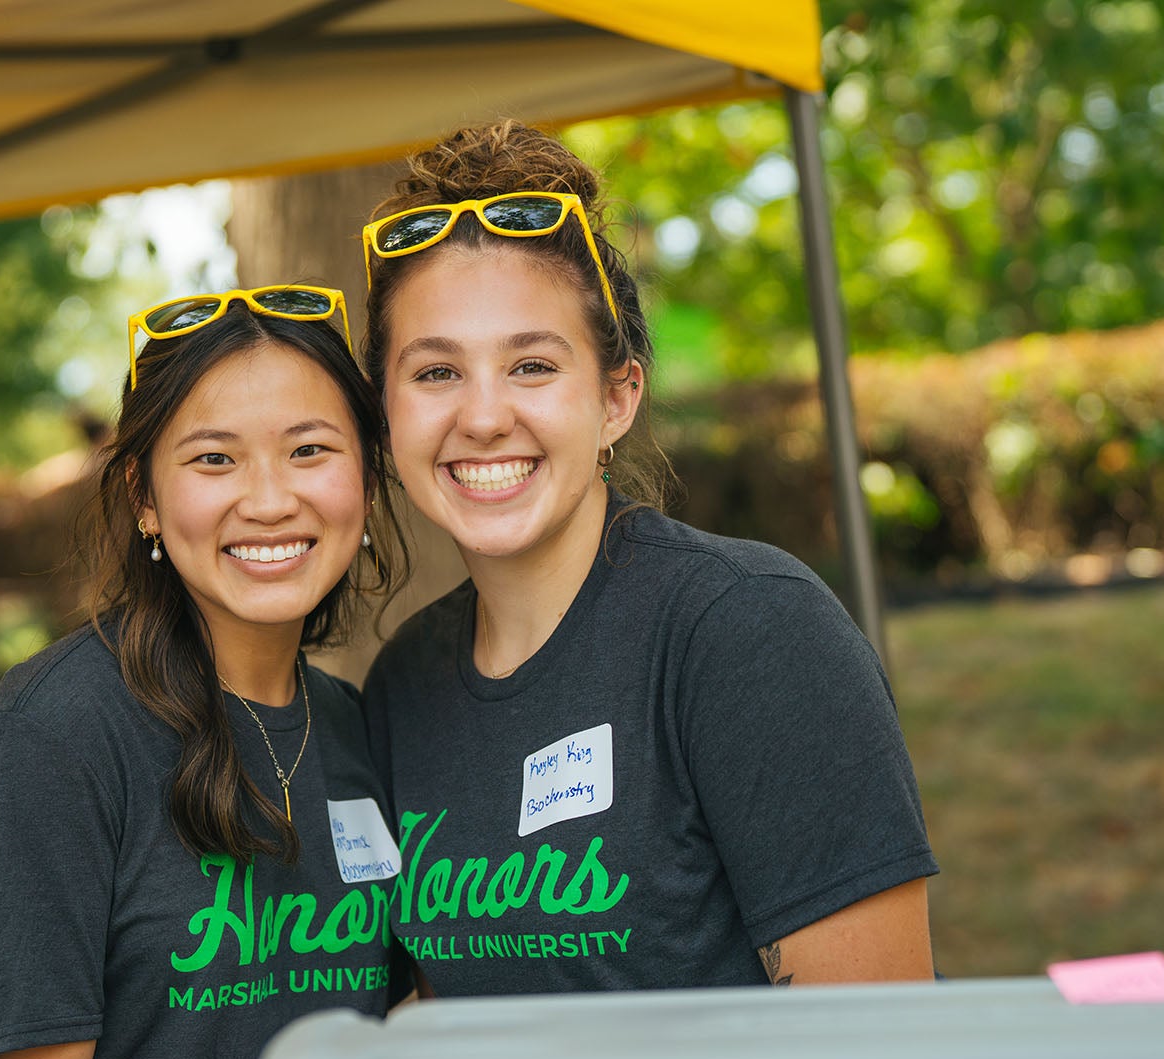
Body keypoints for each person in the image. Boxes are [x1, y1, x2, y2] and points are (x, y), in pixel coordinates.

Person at [359, 122, 939, 997]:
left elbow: (877, 1051)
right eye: (436, 372)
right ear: (386, 412)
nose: (482, 417)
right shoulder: (405, 685)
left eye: (532, 365)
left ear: (617, 397)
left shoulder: (751, 632)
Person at [0, 284, 408, 1059]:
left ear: (365, 475)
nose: (270, 500)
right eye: (214, 459)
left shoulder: (356, 728)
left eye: (311, 449)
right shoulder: (50, 740)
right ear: (145, 498)